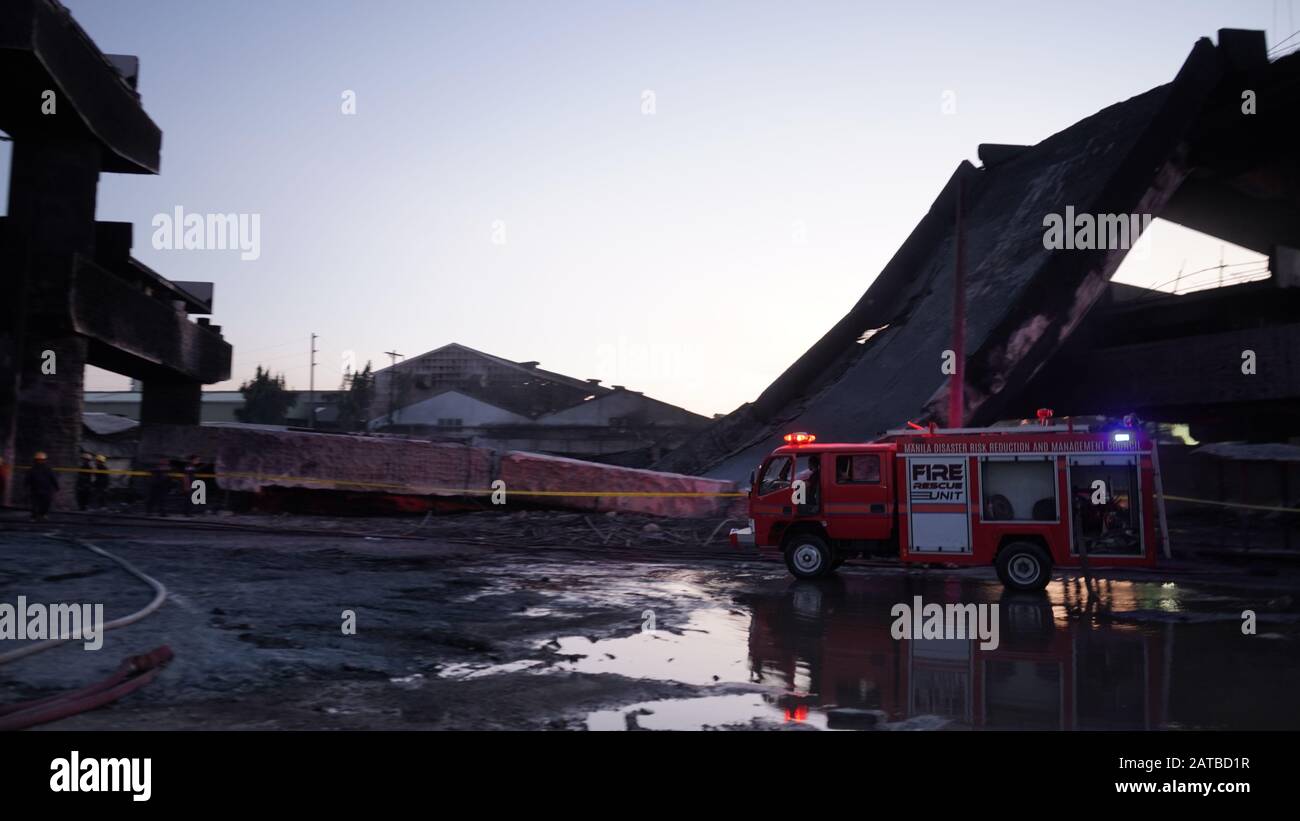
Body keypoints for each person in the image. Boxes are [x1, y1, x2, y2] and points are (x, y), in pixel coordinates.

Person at [26, 451, 59, 522]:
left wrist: (56, 486)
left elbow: (53, 478)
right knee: (35, 504)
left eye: (41, 460)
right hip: (36, 489)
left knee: (45, 503)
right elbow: (28, 478)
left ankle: (43, 515)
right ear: (35, 460)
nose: (40, 462)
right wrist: (26, 485)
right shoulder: (32, 469)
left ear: (44, 461)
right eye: (38, 460)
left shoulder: (47, 469)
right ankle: (35, 516)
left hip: (45, 490)